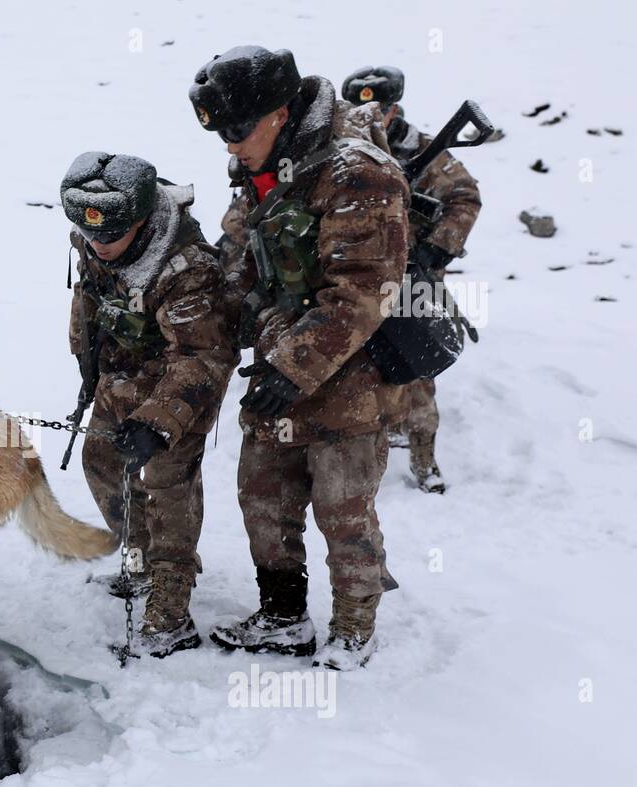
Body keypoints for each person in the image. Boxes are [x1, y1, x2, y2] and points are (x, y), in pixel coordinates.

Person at [190, 46, 410, 669]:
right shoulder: (265, 164)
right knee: (262, 496)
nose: (230, 148)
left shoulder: (354, 171)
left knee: (344, 511)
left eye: (238, 130)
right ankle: (283, 617)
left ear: (280, 112)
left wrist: (292, 367)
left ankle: (354, 626)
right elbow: (237, 257)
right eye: (221, 133)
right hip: (278, 364)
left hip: (351, 376)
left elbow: (363, 292)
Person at [61, 152, 239, 658]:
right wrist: (87, 368)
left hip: (180, 390)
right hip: (120, 379)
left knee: (167, 487)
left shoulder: (188, 269)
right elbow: (89, 301)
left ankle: (171, 602)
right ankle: (139, 560)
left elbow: (204, 355)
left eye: (109, 236)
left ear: (140, 222)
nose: (97, 244)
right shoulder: (97, 234)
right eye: (88, 234)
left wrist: (157, 424)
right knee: (102, 467)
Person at [343, 65, 483, 494]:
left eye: (378, 110)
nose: (370, 118)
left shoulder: (423, 151)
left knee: (419, 366)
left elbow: (464, 196)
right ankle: (376, 436)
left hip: (412, 275)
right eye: (359, 109)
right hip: (359, 276)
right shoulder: (345, 149)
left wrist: (438, 246)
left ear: (394, 109)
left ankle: (423, 457)